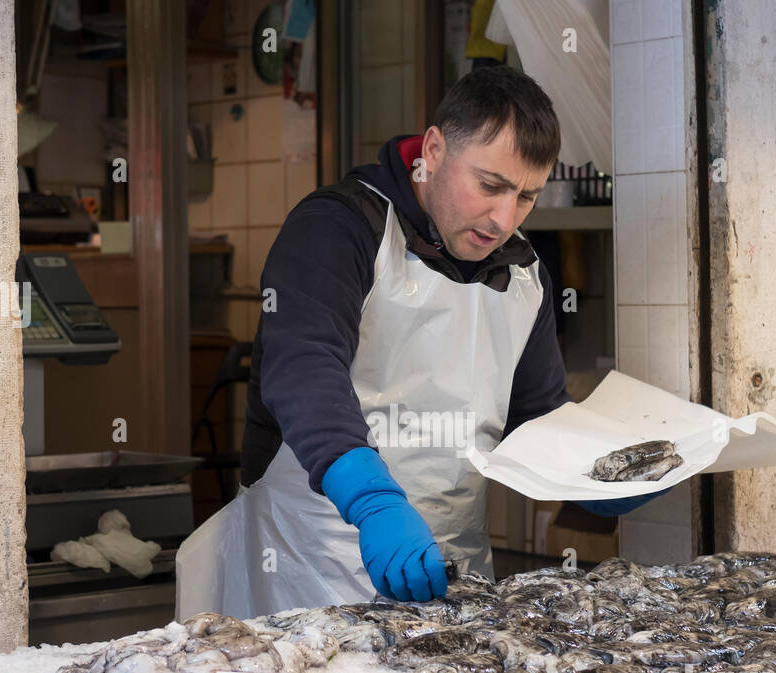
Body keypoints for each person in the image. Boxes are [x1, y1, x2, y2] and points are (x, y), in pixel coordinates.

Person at [177, 65, 663, 621]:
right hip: (306, 571)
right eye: (491, 185)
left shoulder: (524, 272)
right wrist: (374, 502)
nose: (504, 219)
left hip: (451, 582)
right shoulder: (336, 229)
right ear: (432, 149)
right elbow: (305, 371)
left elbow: (536, 418)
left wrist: (594, 474)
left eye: (526, 196)